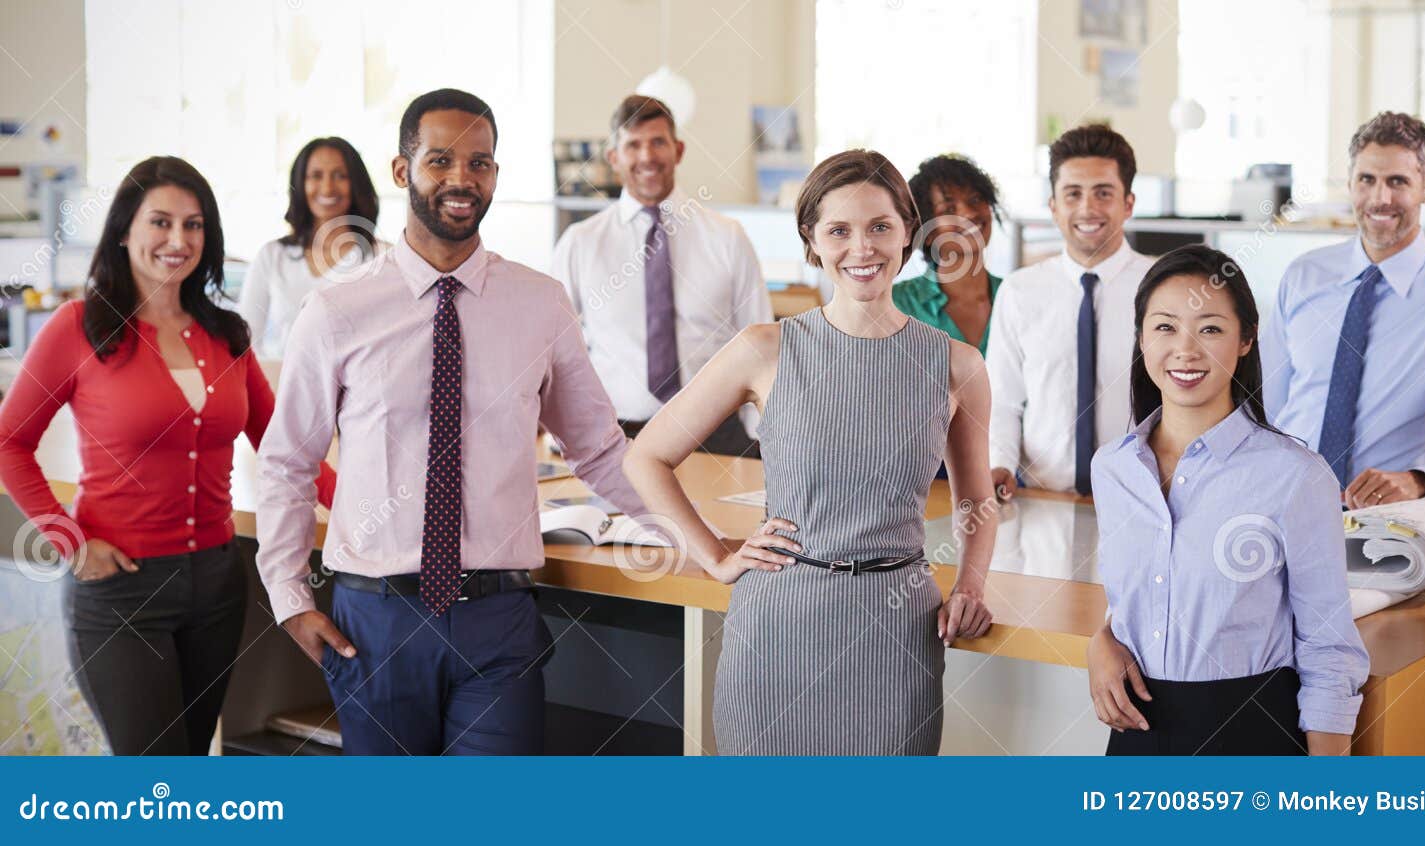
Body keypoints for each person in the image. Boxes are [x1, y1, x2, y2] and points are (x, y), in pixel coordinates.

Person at [254, 88, 645, 755]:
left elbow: (600, 450)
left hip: (498, 618)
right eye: (441, 160)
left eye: (481, 163)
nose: (462, 179)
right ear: (403, 171)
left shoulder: (540, 304)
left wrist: (697, 534)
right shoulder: (338, 311)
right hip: (374, 620)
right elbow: (288, 461)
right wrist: (290, 596)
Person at [623, 150, 996, 755]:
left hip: (896, 632)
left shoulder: (956, 365)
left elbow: (976, 499)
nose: (862, 248)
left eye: (880, 226)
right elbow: (646, 457)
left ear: (907, 231)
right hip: (777, 628)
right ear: (812, 241)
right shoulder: (764, 350)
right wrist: (716, 557)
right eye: (839, 231)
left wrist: (971, 585)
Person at [0, 156, 335, 755]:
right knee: (154, 773)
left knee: (186, 769)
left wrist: (374, 515)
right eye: (161, 222)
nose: (179, 241)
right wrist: (69, 540)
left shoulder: (226, 334)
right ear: (125, 229)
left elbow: (286, 448)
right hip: (121, 590)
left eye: (195, 225)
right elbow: (10, 441)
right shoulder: (78, 327)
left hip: (218, 583)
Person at [1087, 244, 1369, 756]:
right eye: (1165, 327)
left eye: (1210, 328)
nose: (1186, 350)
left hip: (1249, 734)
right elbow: (1142, 593)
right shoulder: (1113, 469)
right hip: (1136, 738)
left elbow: (1329, 648)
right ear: (1141, 338)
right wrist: (1103, 638)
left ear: (1246, 340)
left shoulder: (1295, 475)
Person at [1263, 112, 1425, 507]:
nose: (1380, 199)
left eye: (1397, 182)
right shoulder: (1304, 276)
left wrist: (1421, 480)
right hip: (1280, 506)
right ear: (1350, 183)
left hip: (1380, 526)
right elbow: (1261, 412)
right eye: (1367, 180)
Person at [552, 95, 772, 457]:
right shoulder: (580, 244)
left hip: (716, 439)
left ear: (679, 150)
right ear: (614, 158)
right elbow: (555, 352)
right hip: (616, 439)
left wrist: (766, 444)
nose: (646, 157)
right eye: (633, 145)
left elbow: (760, 344)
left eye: (658, 142)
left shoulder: (727, 237)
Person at [987, 124, 1155, 498]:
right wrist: (999, 462)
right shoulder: (1019, 292)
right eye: (1073, 194)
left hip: (1141, 497)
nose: (1087, 208)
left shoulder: (1163, 289)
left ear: (1128, 203)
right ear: (1054, 206)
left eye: (1103, 193)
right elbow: (1003, 400)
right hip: (1041, 497)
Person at [238, 136, 386, 358]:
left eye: (340, 176)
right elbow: (246, 340)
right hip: (280, 388)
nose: (327, 187)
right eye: (315, 176)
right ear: (299, 183)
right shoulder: (272, 256)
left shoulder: (382, 257)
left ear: (356, 184)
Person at [893, 153, 1004, 354]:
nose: (969, 214)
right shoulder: (896, 304)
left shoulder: (1014, 296)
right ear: (926, 232)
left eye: (976, 199)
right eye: (948, 209)